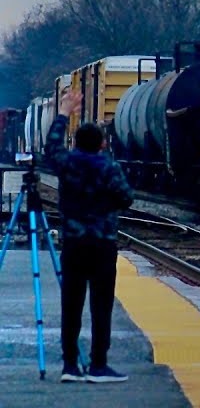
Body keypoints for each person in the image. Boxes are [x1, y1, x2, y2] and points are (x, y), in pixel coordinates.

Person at [44, 88, 134, 384]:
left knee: (71, 304)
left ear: (76, 143)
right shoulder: (110, 167)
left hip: (73, 243)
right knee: (101, 304)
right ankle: (98, 365)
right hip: (103, 244)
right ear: (102, 144)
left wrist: (63, 113)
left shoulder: (67, 164)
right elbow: (126, 198)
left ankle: (70, 365)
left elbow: (52, 148)